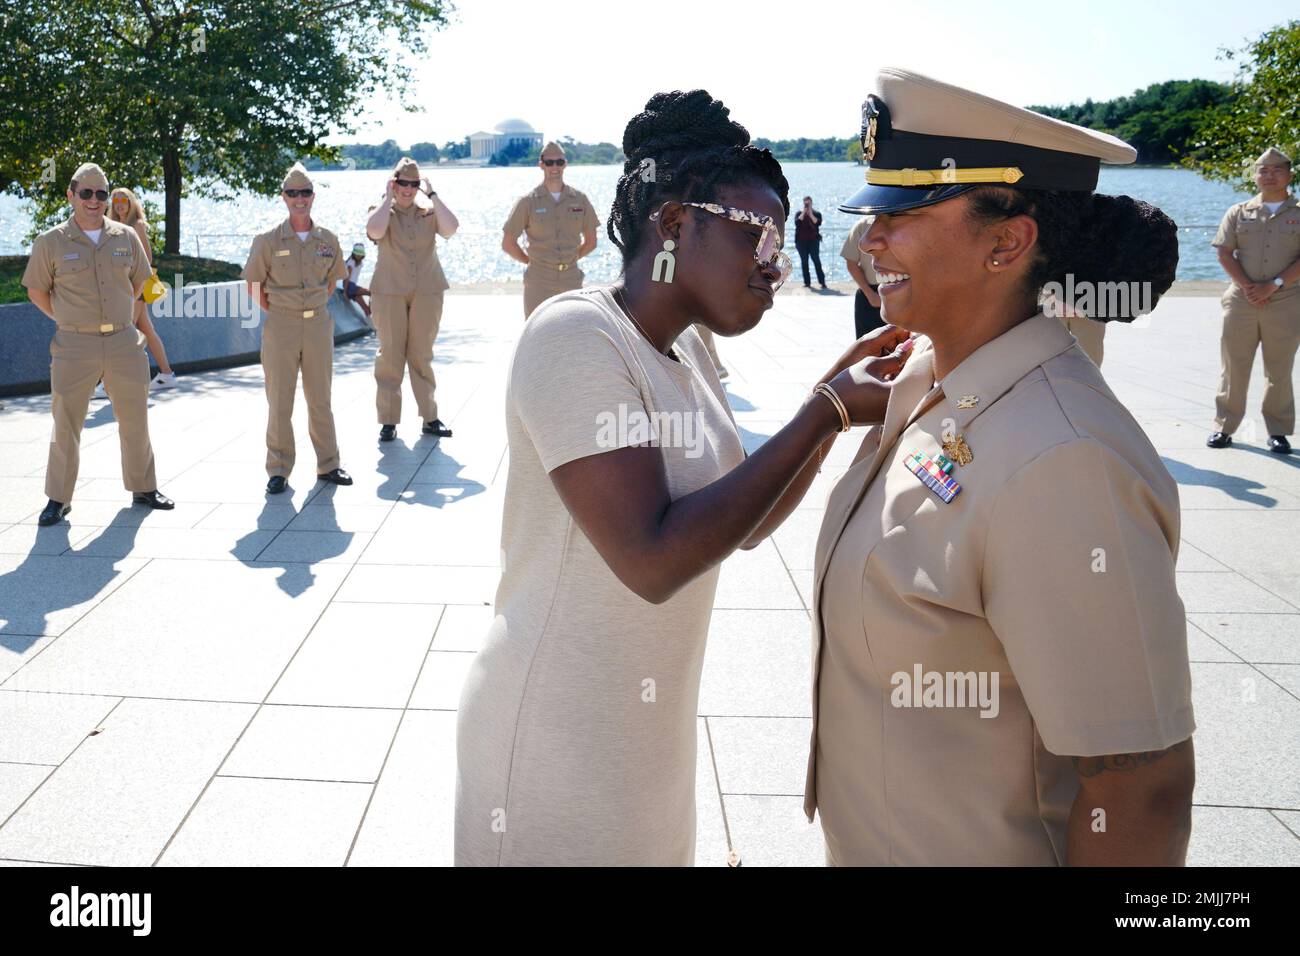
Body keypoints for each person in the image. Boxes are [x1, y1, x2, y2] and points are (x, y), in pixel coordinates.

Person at [456, 89, 913, 867]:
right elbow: (653, 559)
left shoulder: (691, 349)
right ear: (674, 223)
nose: (775, 261)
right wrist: (824, 413)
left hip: (647, 736)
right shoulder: (576, 335)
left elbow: (739, 524)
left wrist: (831, 400)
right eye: (761, 234)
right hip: (553, 735)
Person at [807, 69, 1193, 866]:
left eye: (901, 214)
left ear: (1008, 240)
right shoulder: (929, 380)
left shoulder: (1065, 462)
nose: (870, 240)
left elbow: (1139, 790)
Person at [23, 162, 175, 525]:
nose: (95, 200)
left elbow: (142, 282)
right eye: (87, 193)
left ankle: (143, 487)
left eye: (102, 194)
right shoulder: (51, 242)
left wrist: (126, 314)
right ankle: (58, 499)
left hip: (123, 341)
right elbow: (36, 291)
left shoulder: (126, 236)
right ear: (71, 195)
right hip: (74, 344)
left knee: (135, 418)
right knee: (66, 423)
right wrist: (66, 318)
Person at [241, 162, 352, 494]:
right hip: (281, 326)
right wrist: (280, 310)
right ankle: (278, 469)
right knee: (279, 401)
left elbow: (331, 283)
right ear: (283, 197)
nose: (299, 199)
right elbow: (253, 285)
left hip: (318, 324)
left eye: (304, 193)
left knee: (321, 398)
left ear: (313, 196)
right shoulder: (268, 241)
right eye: (293, 193)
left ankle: (328, 464)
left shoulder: (328, 240)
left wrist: (310, 307)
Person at [1206, 147, 1300, 454]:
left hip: (1286, 301)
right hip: (1241, 301)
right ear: (1255, 176)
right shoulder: (1239, 212)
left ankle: (1278, 431)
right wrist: (1248, 287)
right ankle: (1224, 427)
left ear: (1290, 175)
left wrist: (1272, 286)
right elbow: (1223, 252)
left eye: (1276, 170)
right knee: (1233, 366)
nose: (1269, 176)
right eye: (1263, 170)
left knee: (1279, 368)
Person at [365, 158, 458, 441]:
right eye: (403, 183)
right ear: (394, 183)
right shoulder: (380, 211)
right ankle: (389, 421)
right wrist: (387, 196)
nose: (408, 189)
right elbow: (375, 231)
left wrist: (433, 195)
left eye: (414, 184)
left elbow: (451, 228)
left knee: (421, 355)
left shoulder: (428, 213)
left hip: (426, 291)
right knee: (390, 355)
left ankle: (430, 418)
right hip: (389, 291)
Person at [501, 142, 600, 318]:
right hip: (539, 281)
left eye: (559, 162)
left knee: (574, 333)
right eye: (549, 162)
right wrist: (532, 261)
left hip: (571, 280)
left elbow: (591, 242)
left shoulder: (580, 199)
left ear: (565, 164)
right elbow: (508, 243)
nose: (555, 167)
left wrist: (571, 258)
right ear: (541, 165)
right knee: (537, 336)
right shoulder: (527, 201)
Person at [106, 187, 176, 390]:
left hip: (137, 285)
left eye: (123, 200)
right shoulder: (114, 226)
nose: (119, 203)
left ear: (131, 202)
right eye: (115, 200)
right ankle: (166, 373)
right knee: (146, 330)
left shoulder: (136, 225)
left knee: (123, 330)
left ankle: (111, 380)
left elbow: (147, 258)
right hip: (125, 286)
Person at [841, 215, 883, 336]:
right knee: (867, 345)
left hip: (898, 292)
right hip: (869, 294)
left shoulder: (903, 223)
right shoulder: (862, 226)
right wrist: (871, 295)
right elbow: (851, 263)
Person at [794, 195, 827, 289]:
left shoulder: (817, 214)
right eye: (805, 203)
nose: (807, 205)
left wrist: (810, 213)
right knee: (804, 262)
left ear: (811, 203)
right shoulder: (799, 213)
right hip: (801, 242)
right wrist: (804, 212)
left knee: (816, 260)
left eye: (808, 203)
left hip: (813, 241)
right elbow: (797, 223)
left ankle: (822, 282)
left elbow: (818, 223)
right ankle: (807, 283)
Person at [342, 243, 372, 321]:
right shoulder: (351, 263)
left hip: (353, 287)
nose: (358, 256)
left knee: (366, 308)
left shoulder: (358, 262)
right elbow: (346, 278)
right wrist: (345, 292)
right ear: (354, 254)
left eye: (360, 255)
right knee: (371, 293)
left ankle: (371, 323)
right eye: (357, 254)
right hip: (350, 287)